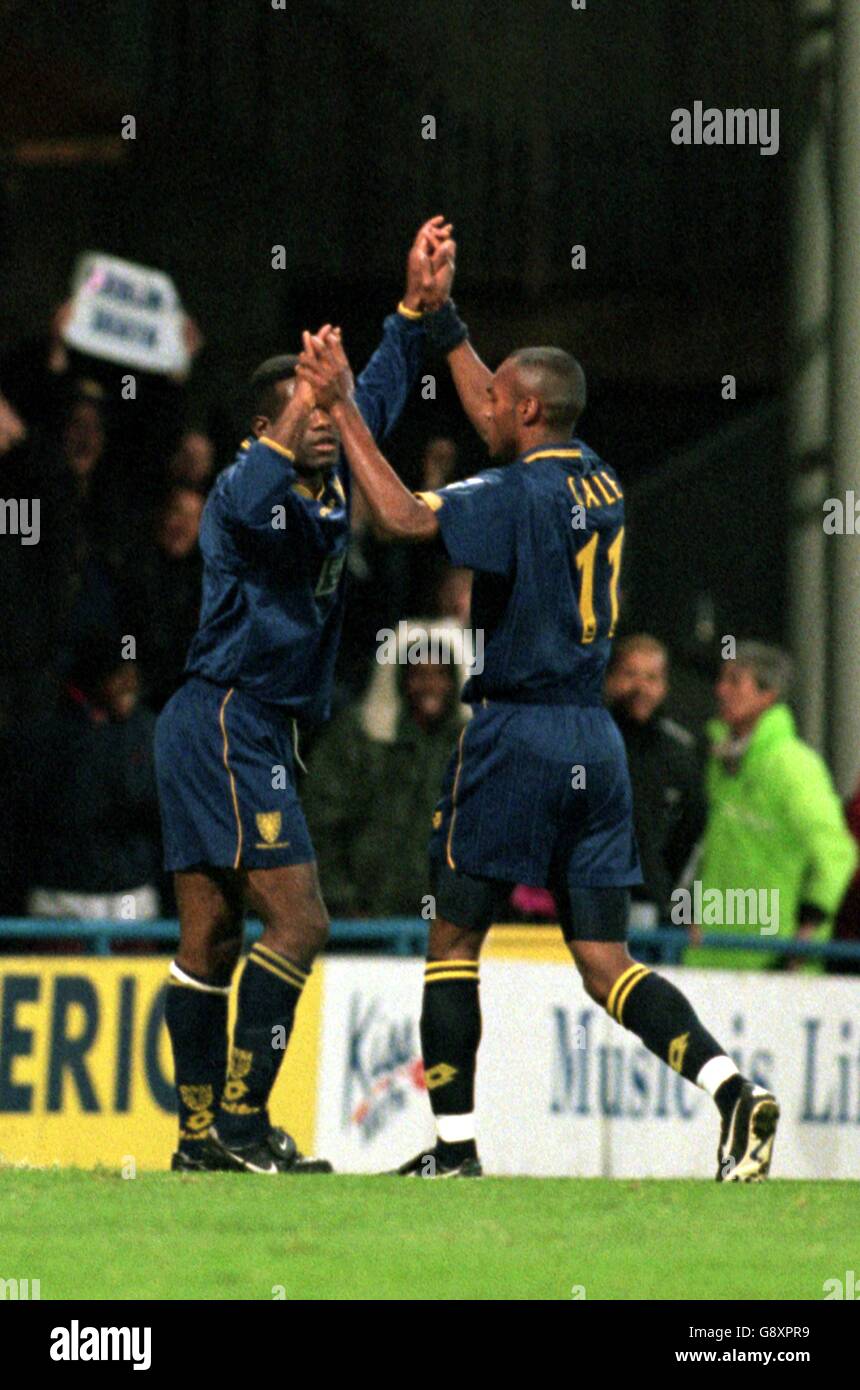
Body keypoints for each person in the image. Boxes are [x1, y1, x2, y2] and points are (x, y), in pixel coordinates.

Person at [296, 302, 781, 1184]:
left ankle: (454, 1149)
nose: (482, 407)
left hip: (517, 733)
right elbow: (501, 404)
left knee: (452, 941)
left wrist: (343, 410)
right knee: (605, 961)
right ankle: (731, 1088)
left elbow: (404, 515)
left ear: (526, 412)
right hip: (594, 742)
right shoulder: (601, 479)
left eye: (497, 400)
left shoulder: (514, 493)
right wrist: (442, 324)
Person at [154, 217, 455, 1175]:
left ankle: (201, 1138)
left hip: (238, 726)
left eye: (325, 410)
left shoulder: (322, 473)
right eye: (307, 412)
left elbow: (373, 401)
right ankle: (242, 1123)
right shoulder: (250, 487)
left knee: (210, 933)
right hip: (229, 715)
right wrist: (297, 414)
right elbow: (246, 497)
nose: (327, 420)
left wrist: (412, 310)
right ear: (265, 426)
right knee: (302, 922)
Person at [692, 642, 856, 971]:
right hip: (711, 956)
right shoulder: (719, 763)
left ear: (768, 695)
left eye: (735, 681)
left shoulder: (794, 765)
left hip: (775, 961)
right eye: (722, 679)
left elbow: (836, 853)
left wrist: (807, 930)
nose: (720, 690)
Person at [304, 627, 465, 916]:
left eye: (440, 674)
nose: (430, 685)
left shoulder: (471, 748)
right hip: (365, 923)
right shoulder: (356, 741)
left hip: (450, 922)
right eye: (419, 673)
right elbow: (321, 824)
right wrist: (342, 900)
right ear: (402, 679)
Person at [605, 634, 705, 940]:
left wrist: (680, 905)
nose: (640, 687)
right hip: (579, 908)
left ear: (664, 687)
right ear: (609, 679)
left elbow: (691, 837)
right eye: (630, 674)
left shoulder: (680, 753)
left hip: (650, 914)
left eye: (652, 677)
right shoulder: (582, 741)